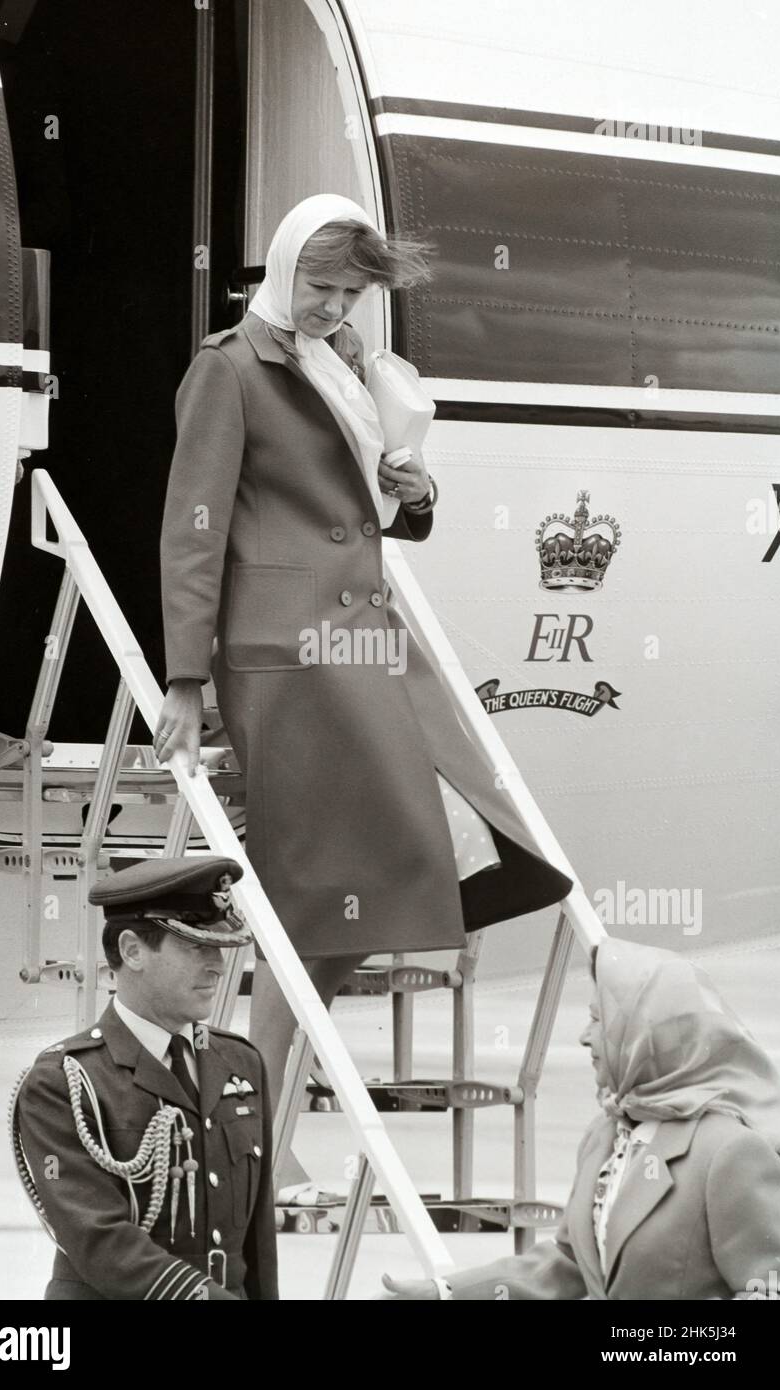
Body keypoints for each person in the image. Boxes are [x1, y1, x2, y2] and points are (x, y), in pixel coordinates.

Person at [154, 192, 572, 1191]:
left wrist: (415, 493)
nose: (333, 306)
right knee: (312, 902)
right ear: (281, 266)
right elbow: (193, 527)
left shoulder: (344, 365)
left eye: (348, 294)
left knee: (364, 893)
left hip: (361, 646)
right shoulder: (229, 368)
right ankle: (254, 1129)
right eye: (319, 285)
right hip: (291, 663)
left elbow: (373, 509)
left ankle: (255, 1120)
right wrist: (182, 675)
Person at [382, 938, 780, 1299]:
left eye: (598, 1020)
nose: (584, 1036)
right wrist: (445, 1293)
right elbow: (569, 1263)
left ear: (645, 1033)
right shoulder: (606, 1134)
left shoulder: (730, 1152)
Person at [11, 856, 278, 1300]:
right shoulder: (63, 1081)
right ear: (133, 951)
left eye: (218, 947)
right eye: (196, 947)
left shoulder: (240, 1063)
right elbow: (99, 1240)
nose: (217, 965)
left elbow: (256, 1240)